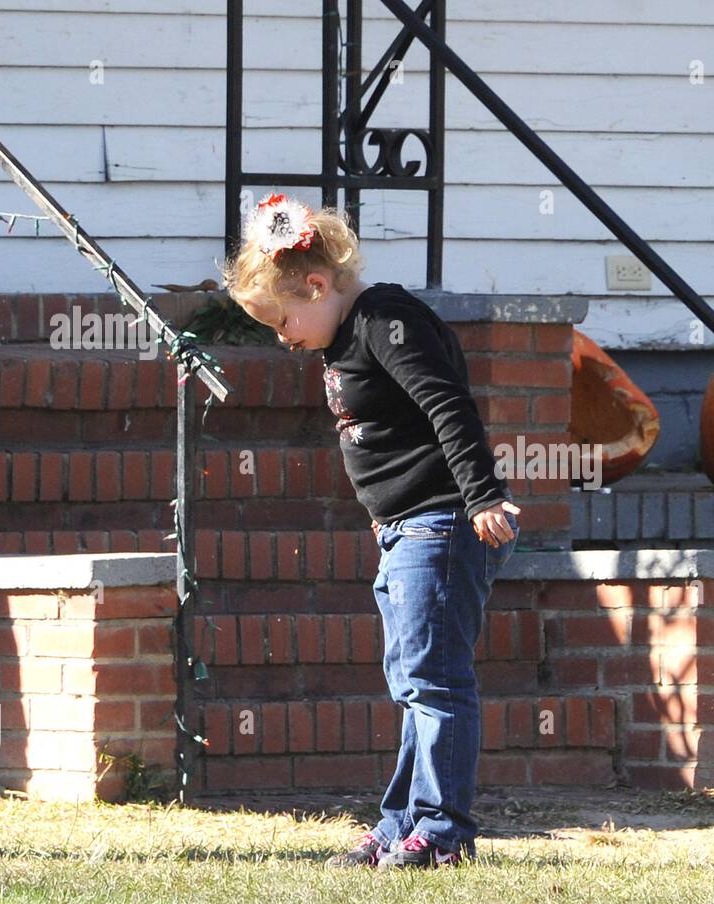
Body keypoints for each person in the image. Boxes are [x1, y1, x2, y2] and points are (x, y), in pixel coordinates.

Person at [221, 193, 520, 868]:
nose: (283, 336)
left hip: (441, 524)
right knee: (412, 681)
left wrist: (481, 496)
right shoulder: (350, 333)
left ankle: (442, 834)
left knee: (436, 681)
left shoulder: (387, 321)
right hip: (404, 531)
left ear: (318, 286)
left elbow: (448, 404)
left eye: (284, 319)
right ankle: (400, 823)